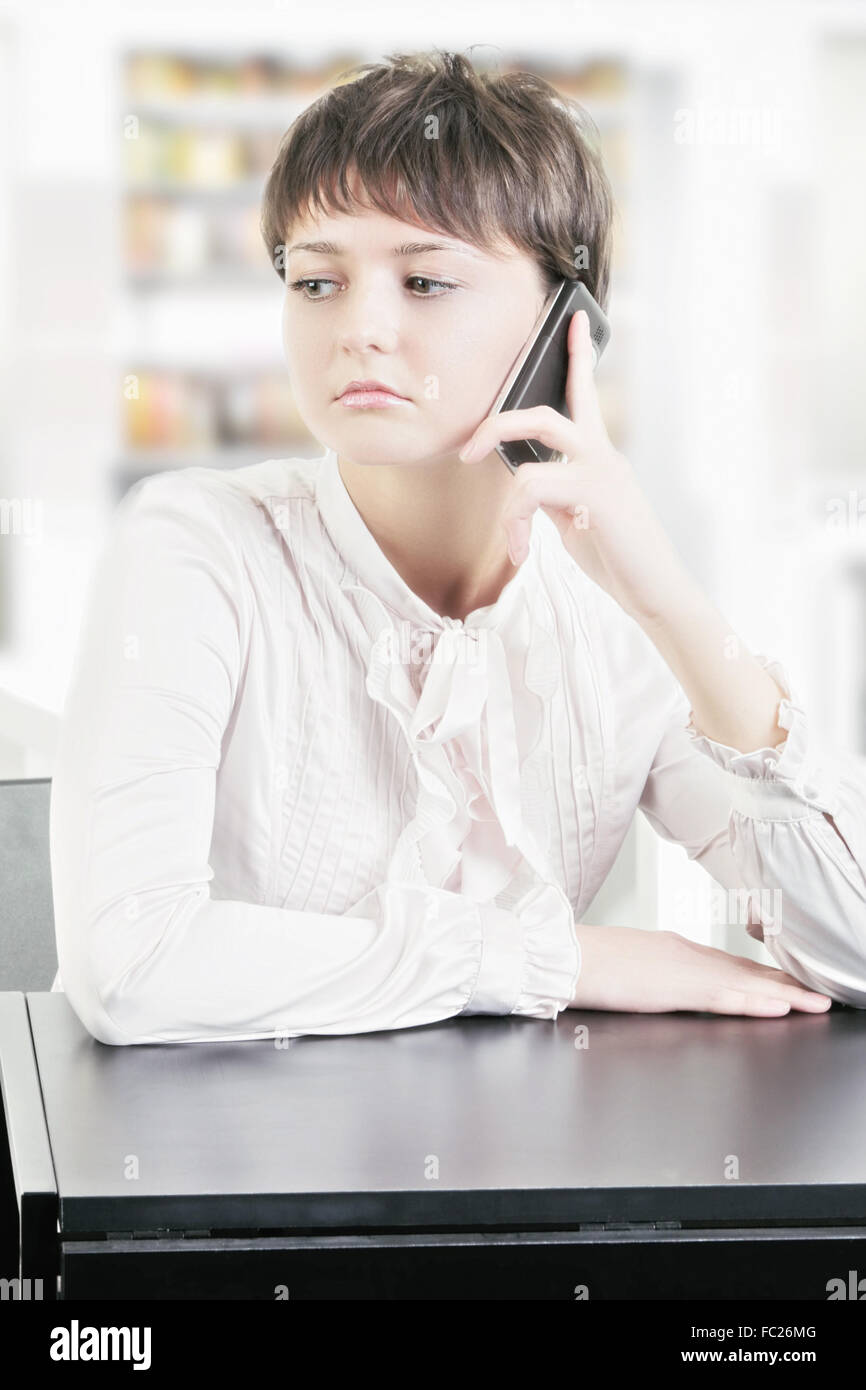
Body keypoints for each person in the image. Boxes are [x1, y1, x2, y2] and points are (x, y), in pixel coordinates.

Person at [49, 49, 866, 1046]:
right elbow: (130, 968)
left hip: (518, 1179)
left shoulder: (605, 618)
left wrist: (668, 604)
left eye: (425, 280)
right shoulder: (195, 549)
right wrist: (559, 957)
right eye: (315, 281)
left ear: (567, 327)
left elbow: (852, 950)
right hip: (224, 1188)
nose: (359, 328)